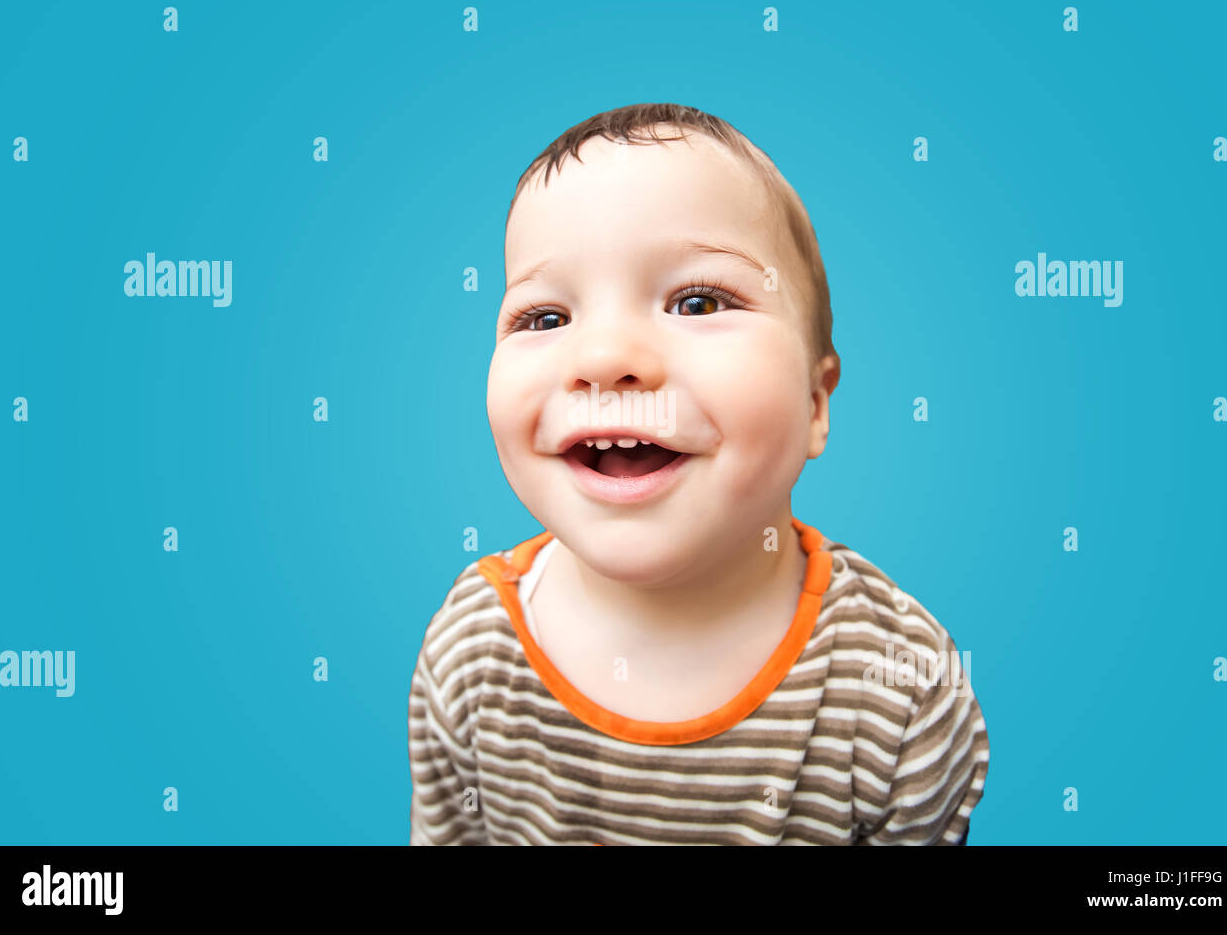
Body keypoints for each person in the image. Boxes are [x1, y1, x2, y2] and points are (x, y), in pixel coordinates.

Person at [408, 103, 989, 844]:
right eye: (545, 319)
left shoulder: (897, 685)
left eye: (698, 301)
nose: (604, 359)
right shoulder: (470, 648)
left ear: (816, 402)